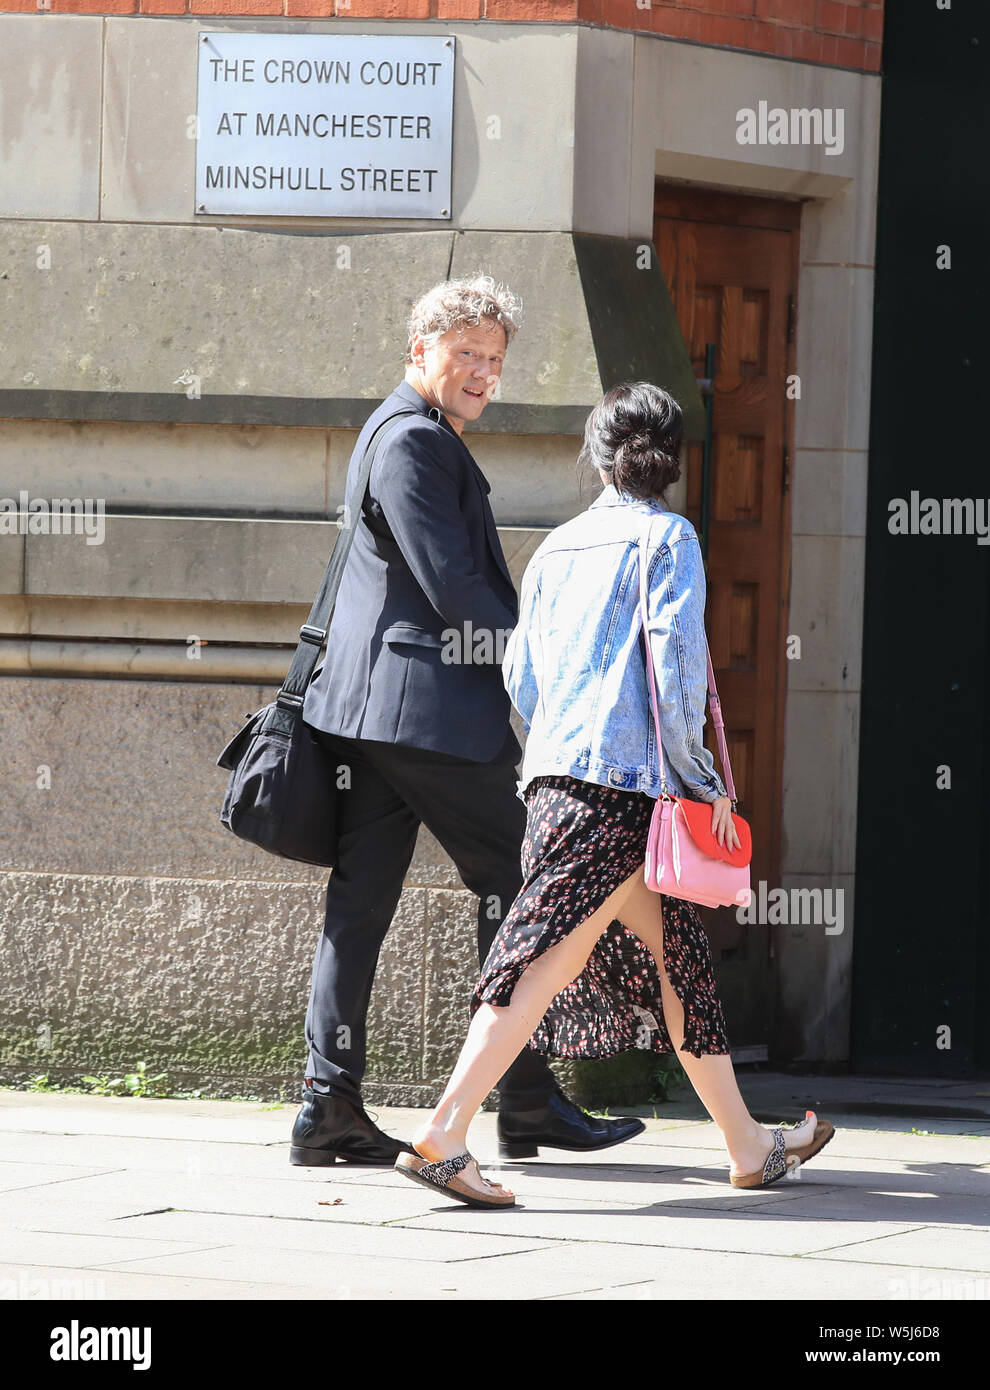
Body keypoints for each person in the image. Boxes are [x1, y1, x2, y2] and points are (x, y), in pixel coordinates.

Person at [396, 381, 835, 1207]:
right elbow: (674, 672)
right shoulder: (669, 539)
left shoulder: (556, 549)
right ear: (673, 458)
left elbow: (521, 674)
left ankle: (749, 1145)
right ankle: (443, 1134)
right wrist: (701, 780)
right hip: (624, 794)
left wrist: (565, 737)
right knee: (538, 960)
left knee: (679, 961)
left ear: (600, 456)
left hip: (563, 783)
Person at [290, 277, 644, 1166]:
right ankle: (522, 1101)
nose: (482, 372)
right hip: (424, 714)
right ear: (421, 353)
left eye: (494, 358)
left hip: (376, 715)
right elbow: (452, 587)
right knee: (529, 881)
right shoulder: (412, 442)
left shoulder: (408, 432)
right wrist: (543, 666)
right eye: (465, 356)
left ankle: (328, 1107)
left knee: (360, 906)